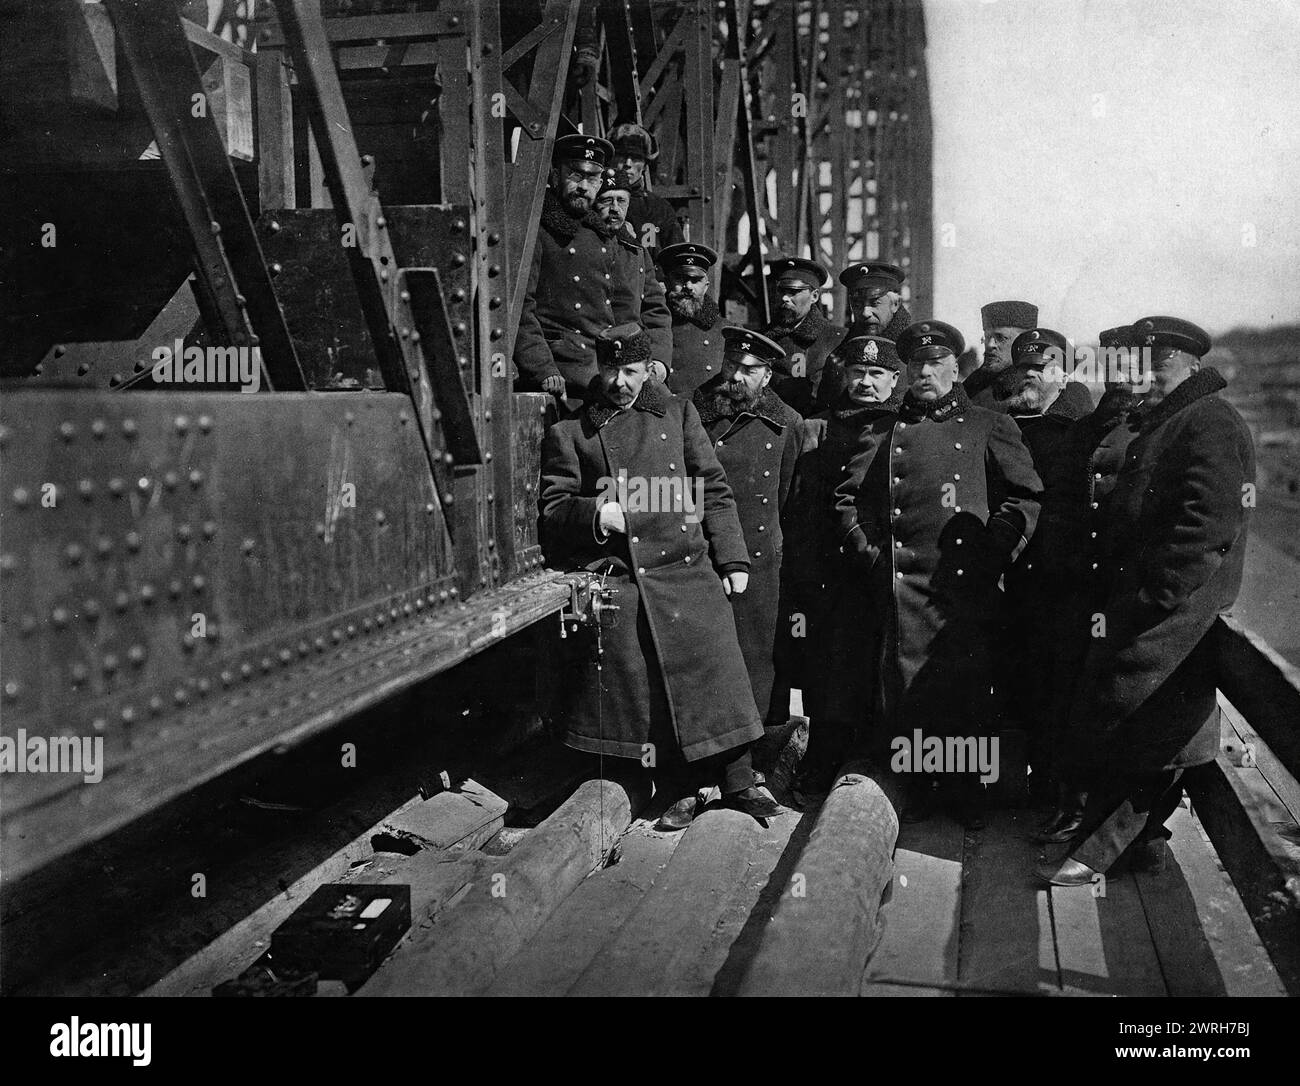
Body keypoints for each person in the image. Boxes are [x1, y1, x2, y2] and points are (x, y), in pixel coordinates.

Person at [539, 323, 785, 832]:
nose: (620, 383)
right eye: (611, 371)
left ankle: (738, 780)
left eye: (630, 372)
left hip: (687, 567)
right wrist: (595, 514)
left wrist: (733, 560)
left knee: (715, 660)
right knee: (645, 670)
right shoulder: (571, 432)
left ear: (649, 370)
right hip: (628, 574)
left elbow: (712, 488)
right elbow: (553, 508)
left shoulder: (677, 412)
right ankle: (677, 786)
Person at [1038, 317, 1255, 885]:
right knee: (1124, 715)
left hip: (1177, 609)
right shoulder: (1168, 420)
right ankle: (1128, 845)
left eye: (1157, 363)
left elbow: (1208, 528)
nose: (1144, 375)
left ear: (1188, 364)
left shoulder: (1209, 421)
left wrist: (1154, 594)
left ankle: (1106, 847)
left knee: (1153, 726)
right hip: (1145, 601)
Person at [833, 320, 1043, 825]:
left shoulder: (987, 425)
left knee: (966, 689)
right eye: (917, 365)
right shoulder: (884, 429)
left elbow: (1026, 497)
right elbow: (846, 500)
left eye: (936, 363)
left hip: (964, 587)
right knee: (907, 692)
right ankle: (919, 791)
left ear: (955, 367)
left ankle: (968, 793)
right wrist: (874, 557)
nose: (925, 373)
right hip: (902, 584)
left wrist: (991, 557)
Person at [787, 334, 905, 802]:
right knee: (830, 669)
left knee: (881, 667)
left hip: (882, 568)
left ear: (896, 379)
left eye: (877, 374)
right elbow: (799, 504)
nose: (865, 382)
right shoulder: (818, 427)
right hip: (830, 572)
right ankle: (822, 761)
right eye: (858, 372)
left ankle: (876, 761)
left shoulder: (903, 428)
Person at [694, 328, 803, 731]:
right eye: (731, 366)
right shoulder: (696, 410)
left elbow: (790, 498)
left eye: (749, 369)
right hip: (704, 553)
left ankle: (758, 754)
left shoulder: (787, 424)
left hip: (760, 560)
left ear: (768, 375)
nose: (736, 377)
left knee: (757, 658)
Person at [514, 135, 671, 404]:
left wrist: (656, 362)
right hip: (570, 370)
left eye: (592, 179)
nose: (584, 187)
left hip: (622, 370)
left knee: (675, 415)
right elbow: (519, 307)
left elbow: (653, 308)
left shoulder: (614, 237)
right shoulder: (538, 233)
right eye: (576, 176)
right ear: (555, 174)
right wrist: (542, 367)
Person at [996, 328, 1084, 804]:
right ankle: (1009, 787)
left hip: (1057, 578)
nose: (1030, 377)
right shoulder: (1003, 422)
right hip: (1006, 572)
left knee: (1055, 684)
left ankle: (1051, 788)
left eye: (1042, 368)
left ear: (1064, 373)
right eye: (1024, 369)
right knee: (1010, 678)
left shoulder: (1080, 429)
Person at [818, 261, 913, 410]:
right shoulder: (838, 354)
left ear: (895, 304)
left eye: (875, 303)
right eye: (857, 304)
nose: (864, 313)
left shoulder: (915, 352)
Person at [760, 257, 844, 416]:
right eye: (782, 291)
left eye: (794, 292)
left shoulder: (836, 339)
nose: (785, 298)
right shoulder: (763, 338)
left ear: (814, 296)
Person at [608, 122, 683, 261]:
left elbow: (677, 259)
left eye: (636, 158)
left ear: (645, 165)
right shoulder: (596, 203)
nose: (628, 164)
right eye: (622, 156)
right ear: (611, 159)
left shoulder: (659, 209)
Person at [658, 242, 726, 395]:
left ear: (706, 286)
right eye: (680, 278)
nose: (688, 286)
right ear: (667, 282)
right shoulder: (654, 326)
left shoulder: (725, 330)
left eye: (695, 280)